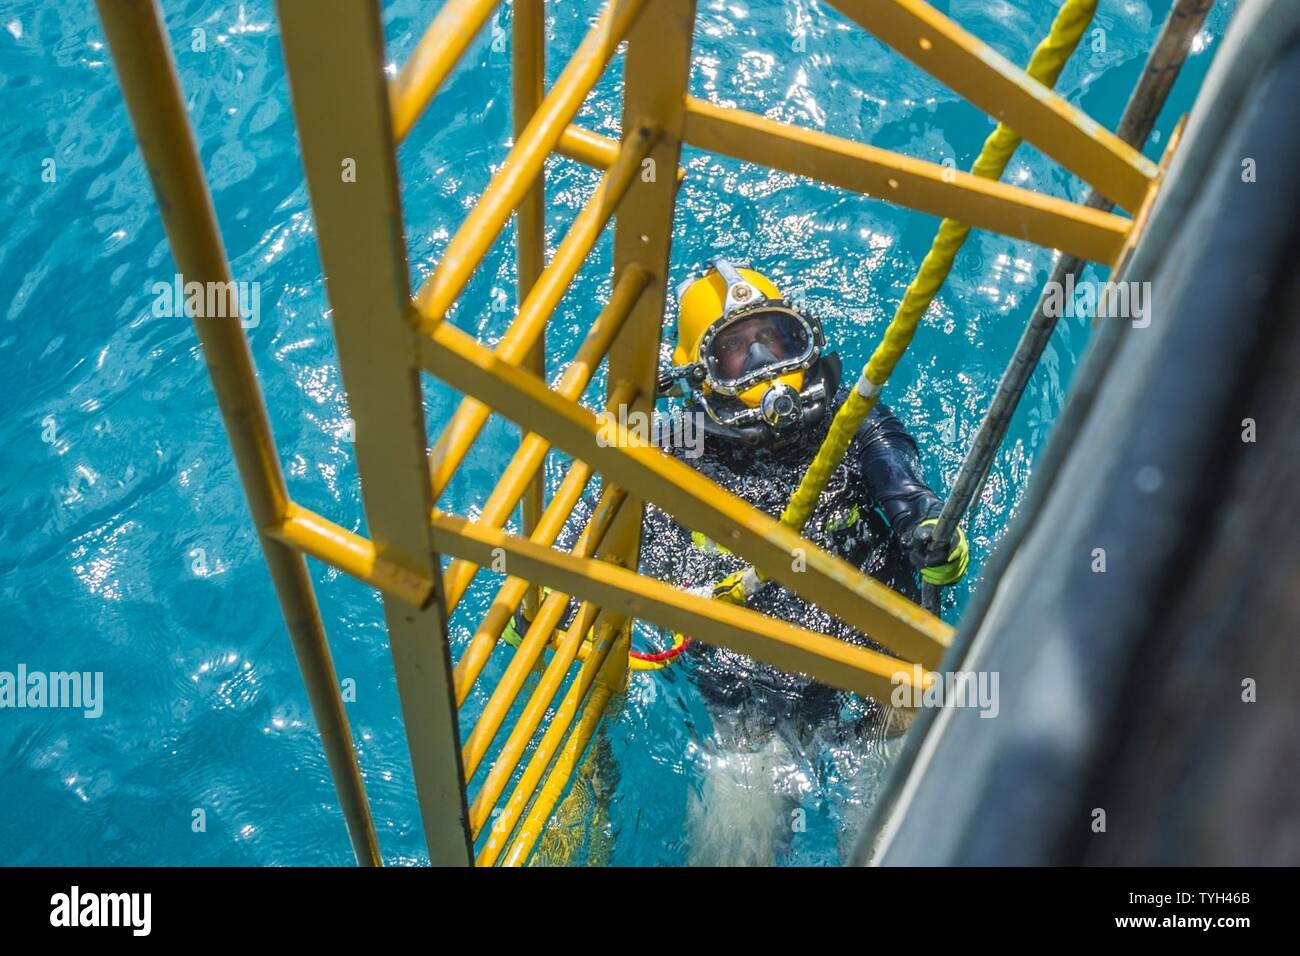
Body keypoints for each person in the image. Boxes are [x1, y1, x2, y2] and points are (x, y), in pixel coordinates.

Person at [647, 258, 968, 865]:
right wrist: (543, 601)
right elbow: (596, 541)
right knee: (734, 850)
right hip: (749, 698)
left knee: (905, 846)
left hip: (880, 677)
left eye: (776, 335)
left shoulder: (850, 418)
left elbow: (907, 492)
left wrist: (932, 535)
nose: (765, 358)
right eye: (736, 349)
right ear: (700, 376)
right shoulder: (674, 451)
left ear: (805, 338)